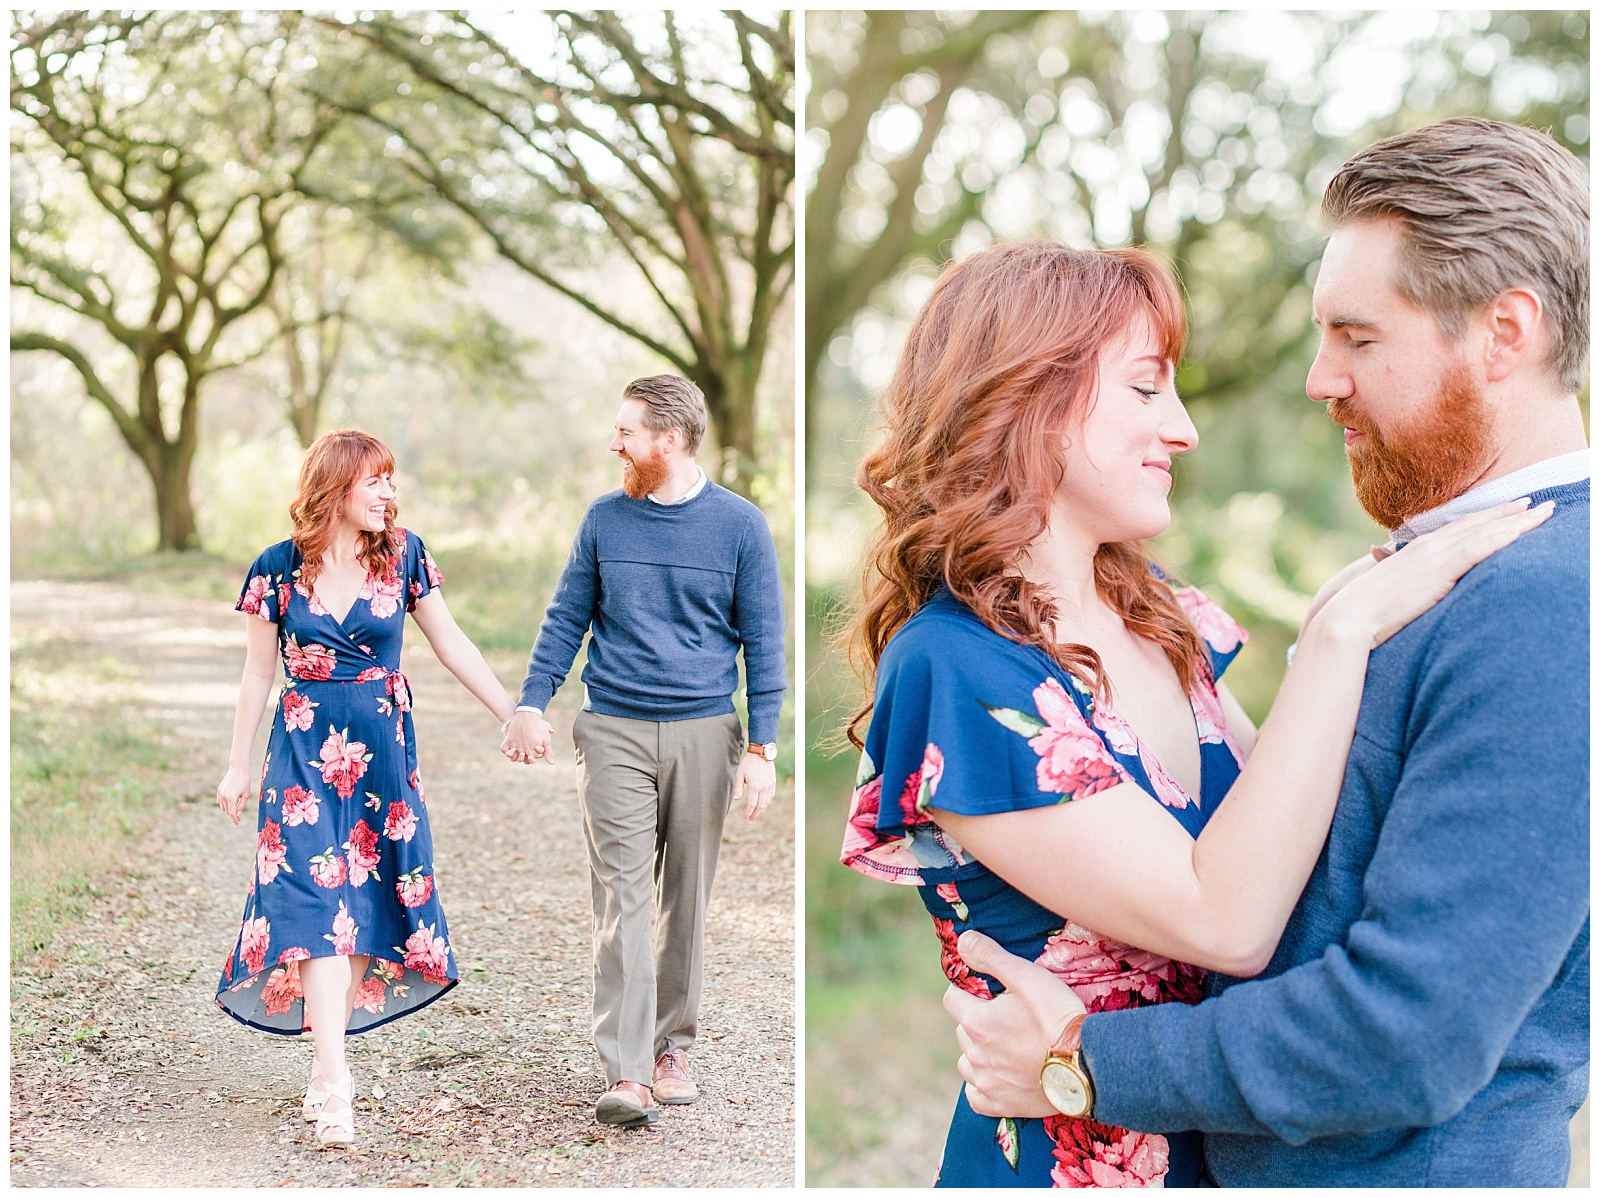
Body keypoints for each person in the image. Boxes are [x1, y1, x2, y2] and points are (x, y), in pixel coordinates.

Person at [947, 117, 1589, 1186]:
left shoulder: (1548, 601)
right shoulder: (1450, 575)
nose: (1317, 378)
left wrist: (1084, 1061)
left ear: (1503, 332)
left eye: (1358, 337)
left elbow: (1403, 1031)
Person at [215, 429, 519, 1148]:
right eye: (375, 481)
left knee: (363, 907)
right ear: (336, 488)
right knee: (314, 902)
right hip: (300, 757)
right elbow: (259, 673)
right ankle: (334, 1079)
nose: (389, 493)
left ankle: (329, 1068)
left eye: (391, 480)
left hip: (382, 755)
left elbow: (452, 643)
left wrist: (513, 713)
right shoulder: (277, 570)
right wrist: (235, 764)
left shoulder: (405, 555)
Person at [499, 374, 787, 1127]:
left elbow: (765, 643)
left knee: (684, 897)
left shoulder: (741, 527)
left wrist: (763, 746)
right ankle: (626, 1071)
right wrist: (533, 699)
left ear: (670, 439)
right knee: (622, 897)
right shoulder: (605, 520)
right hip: (614, 728)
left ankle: (671, 1047)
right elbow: (567, 617)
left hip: (704, 732)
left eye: (627, 431)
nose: (615, 443)